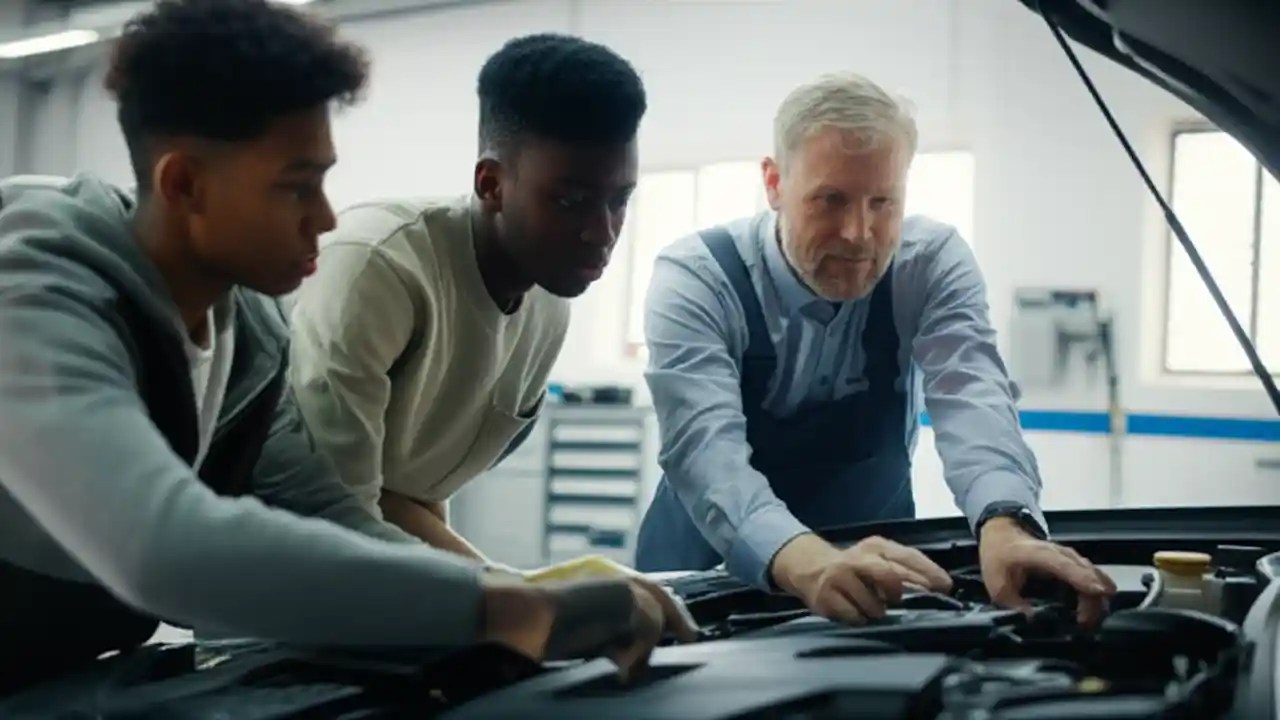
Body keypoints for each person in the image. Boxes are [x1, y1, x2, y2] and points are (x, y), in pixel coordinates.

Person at [0, 0, 690, 696]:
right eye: (296, 186)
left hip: (54, 669)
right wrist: (504, 607)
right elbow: (157, 545)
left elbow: (333, 518)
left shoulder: (250, 334)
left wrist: (520, 591)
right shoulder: (32, 286)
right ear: (186, 185)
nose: (326, 217)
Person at [633, 72, 1116, 627]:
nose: (859, 233)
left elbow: (972, 397)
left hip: (874, 579)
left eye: (883, 202)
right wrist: (807, 561)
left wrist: (1005, 522)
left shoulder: (929, 263)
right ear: (773, 182)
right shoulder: (697, 278)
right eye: (830, 200)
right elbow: (705, 454)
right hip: (706, 582)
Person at [286, 33, 644, 568]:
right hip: (268, 565)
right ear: (491, 184)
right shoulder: (376, 269)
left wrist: (519, 591)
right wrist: (510, 599)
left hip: (357, 565)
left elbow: (405, 493)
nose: (602, 232)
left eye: (620, 200)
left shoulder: (549, 305)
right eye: (570, 201)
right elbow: (338, 516)